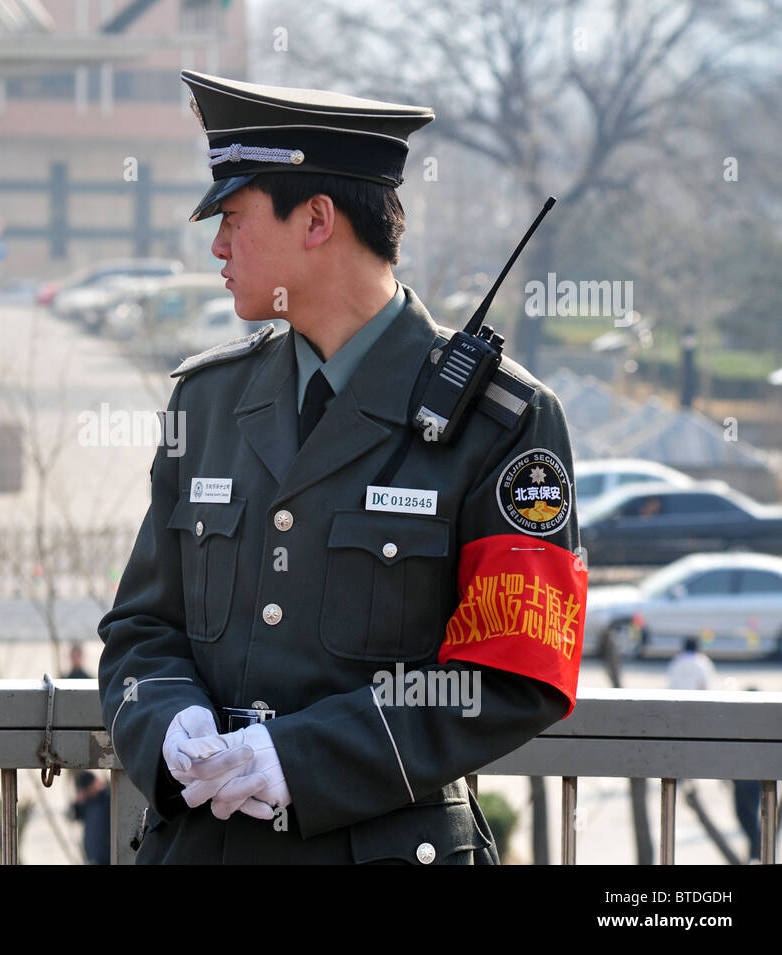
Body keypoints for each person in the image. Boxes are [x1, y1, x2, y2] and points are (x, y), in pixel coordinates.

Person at [96, 70, 587, 864]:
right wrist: (168, 722)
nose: (217, 246)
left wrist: (304, 758)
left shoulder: (503, 421)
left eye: (233, 217)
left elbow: (512, 671)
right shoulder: (208, 403)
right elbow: (142, 627)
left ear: (317, 220)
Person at [69, 771, 112, 865]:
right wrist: (78, 802)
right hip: (93, 854)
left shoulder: (107, 798)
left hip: (107, 854)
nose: (89, 792)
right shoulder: (88, 802)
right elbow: (74, 816)